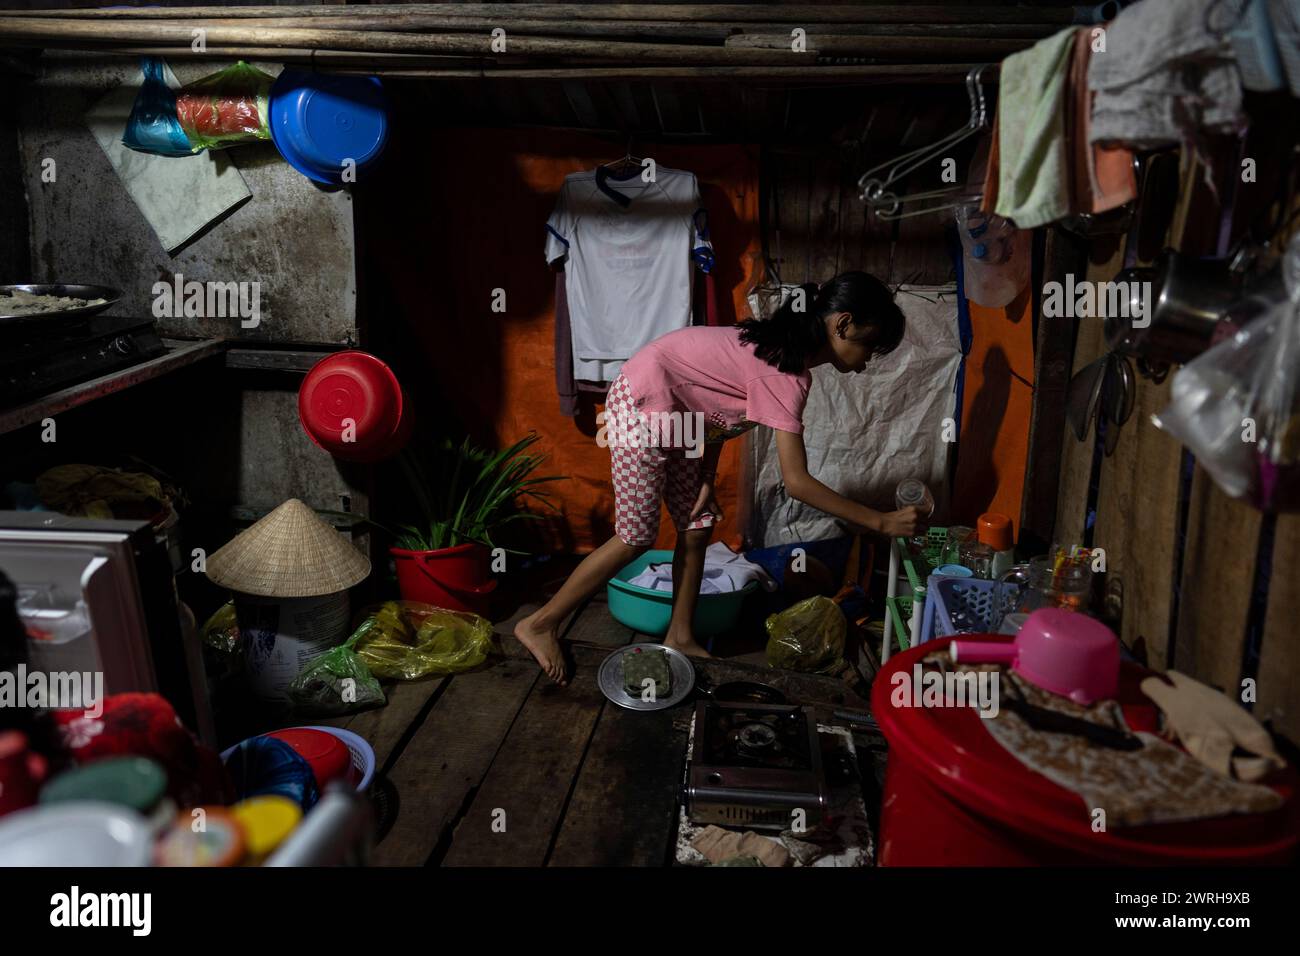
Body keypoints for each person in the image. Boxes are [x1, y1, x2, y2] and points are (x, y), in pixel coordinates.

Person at [516, 271, 929, 684]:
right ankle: (541, 622)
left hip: (679, 418)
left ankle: (679, 635)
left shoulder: (777, 351)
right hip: (641, 404)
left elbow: (711, 404)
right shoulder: (786, 375)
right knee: (635, 537)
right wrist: (881, 521)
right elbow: (797, 482)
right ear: (842, 324)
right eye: (870, 345)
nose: (868, 360)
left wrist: (707, 476)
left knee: (697, 527)